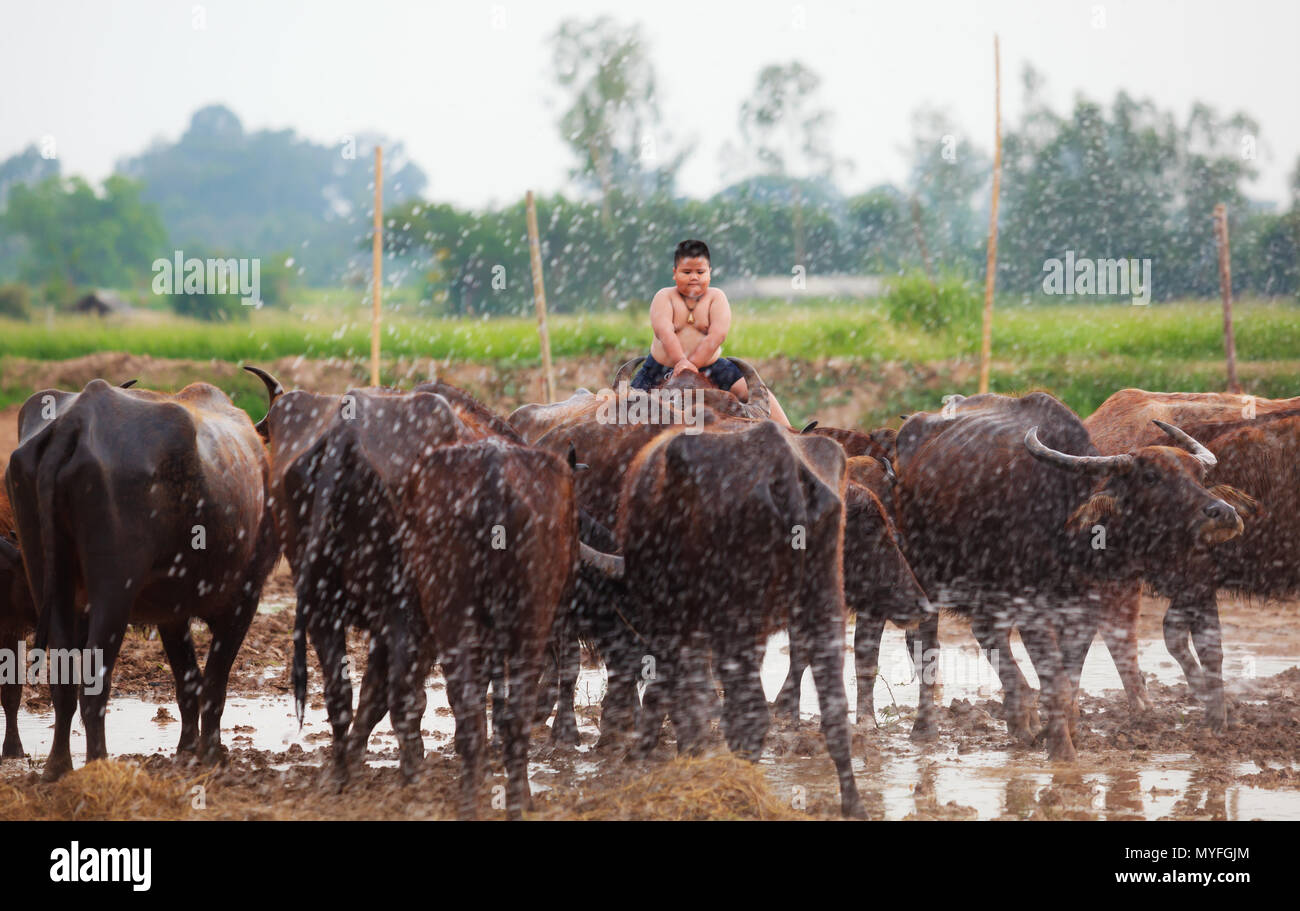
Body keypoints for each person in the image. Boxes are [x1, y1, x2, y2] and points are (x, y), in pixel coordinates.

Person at [628, 239, 792, 428]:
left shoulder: (716, 297)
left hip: (712, 368)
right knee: (625, 405)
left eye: (700, 272)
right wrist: (681, 361)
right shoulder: (664, 297)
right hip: (661, 368)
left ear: (710, 273)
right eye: (687, 272)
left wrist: (692, 363)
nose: (694, 278)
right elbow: (664, 332)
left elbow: (717, 335)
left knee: (755, 391)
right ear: (674, 273)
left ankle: (791, 431)